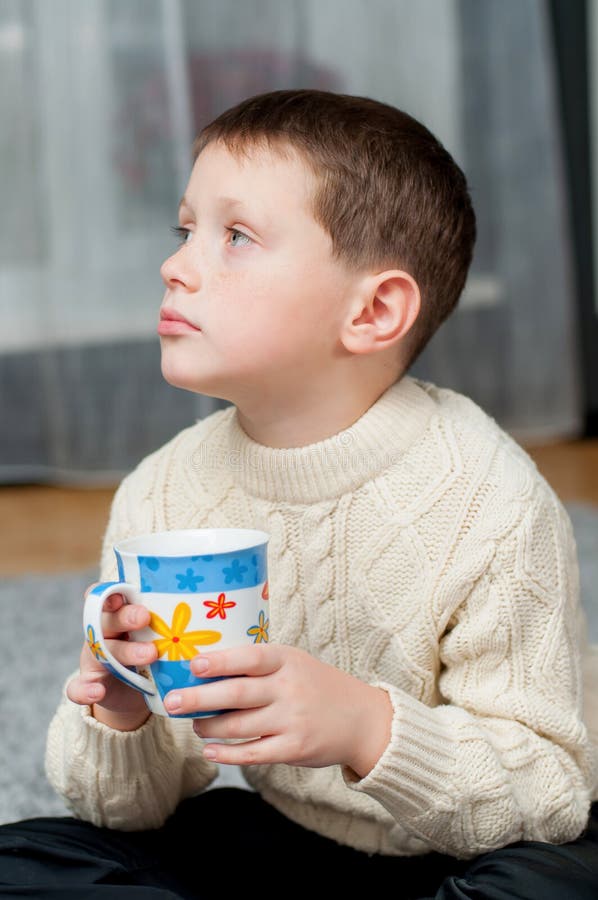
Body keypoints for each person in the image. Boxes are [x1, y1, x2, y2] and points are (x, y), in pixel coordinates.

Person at [1, 88, 597, 899]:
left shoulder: (490, 502)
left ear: (374, 310)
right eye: (187, 230)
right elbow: (128, 810)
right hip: (294, 837)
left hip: (471, 851)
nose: (177, 265)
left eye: (236, 236)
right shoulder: (164, 493)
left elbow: (547, 793)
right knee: (30, 860)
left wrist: (363, 727)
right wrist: (122, 714)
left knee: (558, 880)